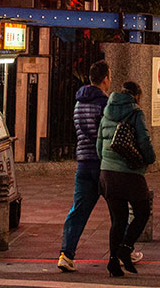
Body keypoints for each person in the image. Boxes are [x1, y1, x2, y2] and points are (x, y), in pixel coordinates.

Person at [96, 81, 156, 277]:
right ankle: (126, 247)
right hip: (129, 173)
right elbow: (143, 139)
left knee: (118, 219)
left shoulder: (107, 111)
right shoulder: (135, 112)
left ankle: (113, 261)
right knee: (142, 211)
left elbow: (99, 144)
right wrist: (150, 158)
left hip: (107, 173)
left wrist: (106, 162)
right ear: (137, 96)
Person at [57, 60, 110, 273]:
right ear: (105, 79)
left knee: (78, 210)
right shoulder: (105, 104)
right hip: (102, 163)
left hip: (83, 162)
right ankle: (125, 249)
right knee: (119, 209)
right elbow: (105, 134)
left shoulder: (79, 103)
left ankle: (66, 254)